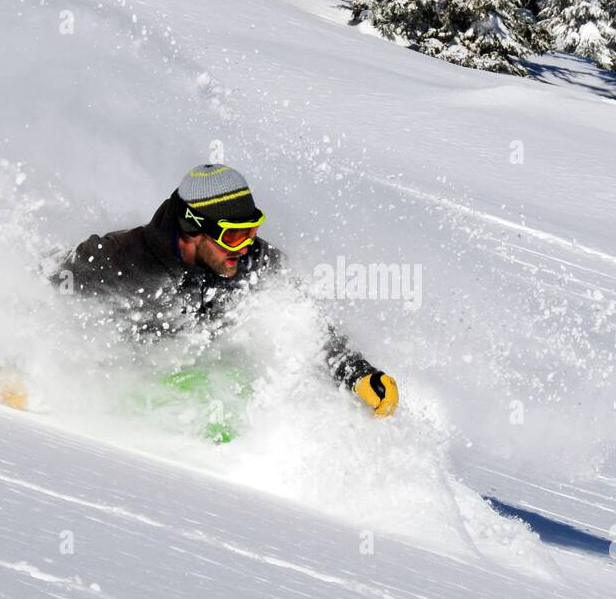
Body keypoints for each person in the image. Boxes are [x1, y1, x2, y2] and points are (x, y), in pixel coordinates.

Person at [54, 163, 399, 416]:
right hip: (120, 389)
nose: (246, 246)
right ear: (192, 228)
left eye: (251, 231)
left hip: (199, 385)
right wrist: (24, 368)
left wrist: (356, 372)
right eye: (234, 235)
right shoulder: (118, 262)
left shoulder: (251, 260)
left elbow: (302, 322)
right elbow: (41, 304)